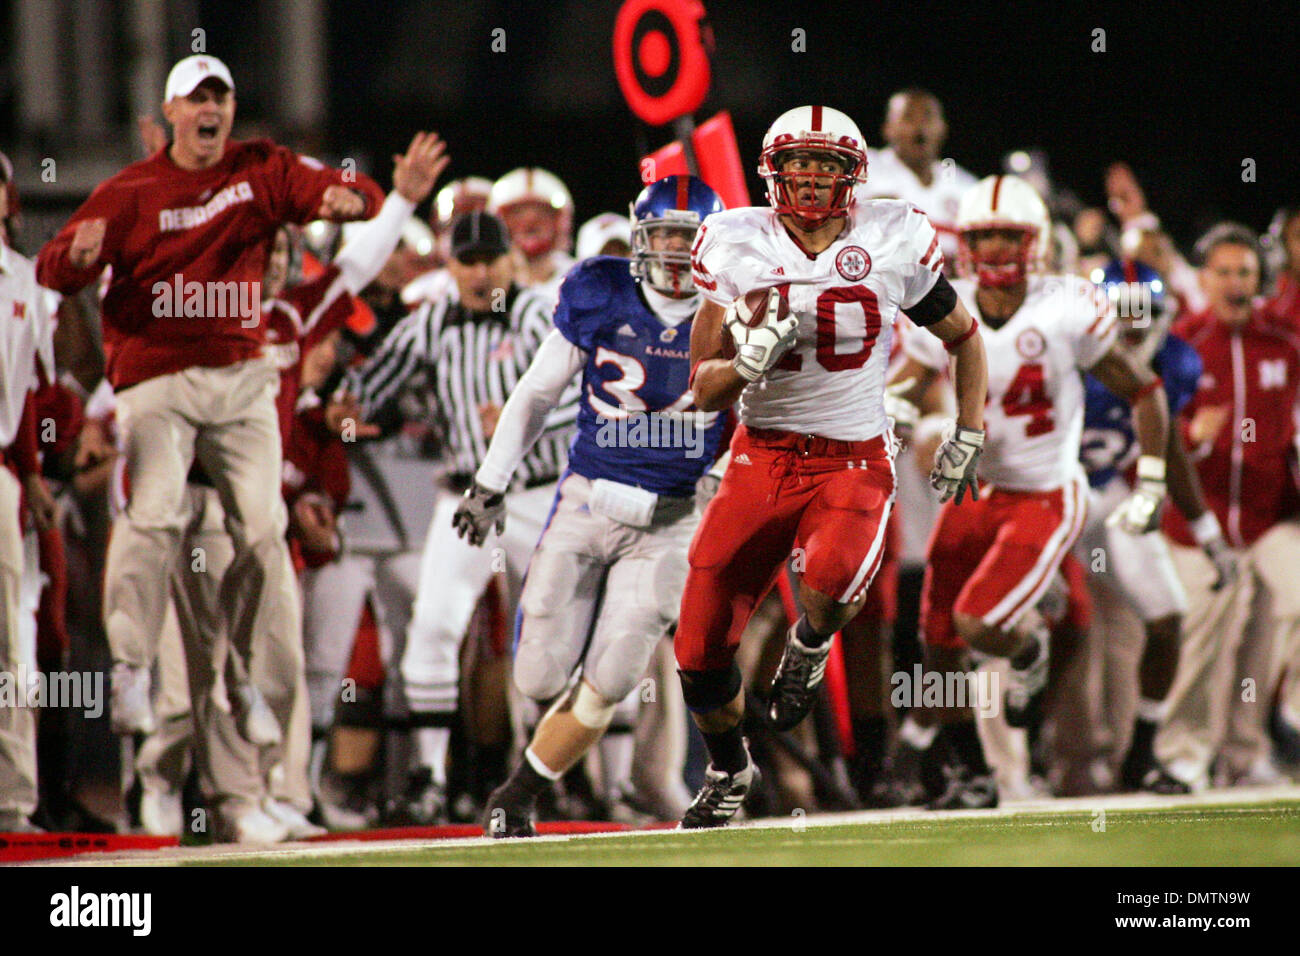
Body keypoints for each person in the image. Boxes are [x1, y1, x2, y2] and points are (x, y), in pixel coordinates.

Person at [35, 54, 384, 736]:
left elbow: (346, 186)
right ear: (171, 113)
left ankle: (249, 681)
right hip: (158, 376)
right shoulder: (131, 189)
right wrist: (75, 259)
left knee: (262, 529)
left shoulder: (260, 168)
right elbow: (53, 268)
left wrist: (357, 199)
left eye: (219, 97)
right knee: (155, 510)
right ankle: (131, 667)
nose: (211, 109)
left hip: (240, 375)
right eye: (196, 98)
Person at [675, 105, 988, 828]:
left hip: (851, 456)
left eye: (825, 166)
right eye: (797, 166)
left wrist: (968, 431)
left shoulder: (893, 236)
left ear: (854, 175)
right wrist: (746, 360)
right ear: (772, 172)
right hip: (761, 454)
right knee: (698, 647)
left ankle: (810, 645)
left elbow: (964, 339)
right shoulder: (732, 239)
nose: (810, 180)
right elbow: (698, 390)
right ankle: (728, 770)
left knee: (837, 579)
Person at [456, 175, 727, 836]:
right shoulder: (600, 291)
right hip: (585, 501)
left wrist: (723, 480)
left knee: (610, 676)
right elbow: (537, 392)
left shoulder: (735, 310)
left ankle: (518, 793)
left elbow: (755, 416)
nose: (671, 251)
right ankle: (552, 765)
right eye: (662, 235)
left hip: (671, 518)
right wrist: (491, 481)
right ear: (640, 237)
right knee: (538, 675)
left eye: (686, 240)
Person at [891, 175, 1170, 809]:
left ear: (1034, 241)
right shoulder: (947, 303)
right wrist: (894, 410)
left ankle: (1029, 648)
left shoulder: (1066, 305)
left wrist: (1152, 479)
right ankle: (973, 772)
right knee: (937, 640)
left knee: (977, 620)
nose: (991, 246)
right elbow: (905, 381)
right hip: (978, 493)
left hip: (1046, 493)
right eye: (981, 233)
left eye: (1005, 234)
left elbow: (1143, 390)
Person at [329, 211, 578, 821]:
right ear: (449, 264)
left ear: (509, 262)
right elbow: (369, 390)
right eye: (467, 261)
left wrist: (524, 417)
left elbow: (584, 387)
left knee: (555, 638)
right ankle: (428, 777)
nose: (479, 272)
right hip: (468, 495)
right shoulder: (432, 321)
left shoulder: (537, 311)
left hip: (538, 492)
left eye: (490, 259)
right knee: (433, 628)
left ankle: (557, 778)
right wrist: (343, 412)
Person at [1075, 259, 1235, 793]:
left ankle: (1140, 753)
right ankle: (994, 761)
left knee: (1168, 617)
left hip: (1111, 490)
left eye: (1141, 316)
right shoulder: (1068, 351)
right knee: (1042, 623)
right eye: (1121, 315)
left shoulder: (1175, 362)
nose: (1132, 328)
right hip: (1047, 492)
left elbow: (1168, 448)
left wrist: (1208, 534)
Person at [1156, 224, 1300, 789]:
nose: (1236, 282)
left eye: (1245, 272)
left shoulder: (1284, 343)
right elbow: (1154, 428)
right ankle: (1183, 755)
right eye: (1224, 271)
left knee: (1269, 635)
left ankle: (1251, 748)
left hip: (1269, 518)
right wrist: (1192, 434)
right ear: (1204, 279)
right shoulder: (1181, 345)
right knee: (1204, 645)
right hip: (1200, 520)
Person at [0, 153, 60, 832]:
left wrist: (35, 471)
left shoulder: (23, 279)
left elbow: (34, 390)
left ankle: (12, 803)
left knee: (8, 642)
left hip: (1, 465)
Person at [861, 88, 977, 267]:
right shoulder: (864, 168)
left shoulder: (963, 184)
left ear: (943, 127)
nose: (919, 128)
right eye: (908, 118)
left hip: (953, 289)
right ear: (888, 128)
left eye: (927, 117)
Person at [487, 167, 575, 289]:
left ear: (560, 221)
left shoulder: (578, 277)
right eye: (518, 212)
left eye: (542, 212)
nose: (530, 221)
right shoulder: (482, 276)